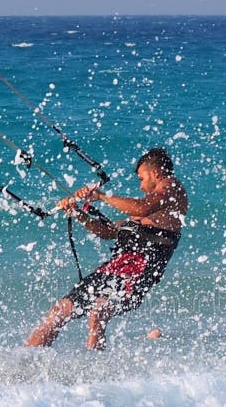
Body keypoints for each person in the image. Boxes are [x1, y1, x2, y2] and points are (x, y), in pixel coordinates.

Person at [26, 147, 188, 349]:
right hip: (113, 268)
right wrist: (77, 214)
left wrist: (101, 196)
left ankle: (93, 371)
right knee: (60, 311)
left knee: (98, 312)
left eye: (141, 179)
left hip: (141, 269)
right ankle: (24, 363)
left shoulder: (172, 189)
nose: (141, 186)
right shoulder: (149, 209)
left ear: (156, 173)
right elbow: (108, 232)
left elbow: (141, 207)